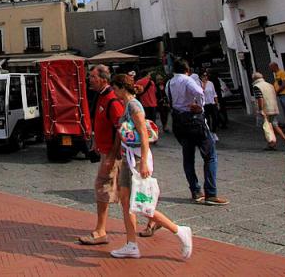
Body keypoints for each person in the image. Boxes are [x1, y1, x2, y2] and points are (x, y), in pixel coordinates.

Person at [108, 74, 193, 260]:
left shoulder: (134, 106)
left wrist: (145, 161)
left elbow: (143, 134)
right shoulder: (127, 105)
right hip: (128, 157)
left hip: (137, 159)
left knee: (141, 205)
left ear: (121, 88)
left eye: (114, 88)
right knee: (126, 201)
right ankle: (131, 244)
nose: (113, 92)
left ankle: (179, 230)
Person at [77, 64, 127, 246]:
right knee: (127, 192)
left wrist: (112, 156)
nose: (89, 79)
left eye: (93, 77)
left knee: (102, 187)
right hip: (107, 152)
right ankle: (154, 219)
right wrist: (96, 142)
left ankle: (100, 231)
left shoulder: (112, 100)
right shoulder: (101, 96)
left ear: (104, 80)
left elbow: (120, 130)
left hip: (113, 155)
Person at [168, 59, 228, 205]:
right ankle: (211, 193)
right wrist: (200, 106)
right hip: (194, 121)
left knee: (188, 158)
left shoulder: (169, 83)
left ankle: (195, 191)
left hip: (179, 122)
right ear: (187, 70)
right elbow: (199, 92)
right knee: (210, 156)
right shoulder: (187, 80)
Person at [250, 72, 285, 150]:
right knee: (275, 125)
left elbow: (260, 98)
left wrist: (260, 109)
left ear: (254, 79)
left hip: (265, 109)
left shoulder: (257, 86)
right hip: (273, 107)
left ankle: (271, 143)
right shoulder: (270, 85)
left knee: (267, 127)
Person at [201, 71, 219, 138]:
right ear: (201, 77)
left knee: (215, 118)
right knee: (207, 120)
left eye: (206, 76)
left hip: (212, 103)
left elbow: (214, 93)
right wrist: (203, 85)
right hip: (205, 104)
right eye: (204, 76)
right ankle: (209, 133)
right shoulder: (199, 84)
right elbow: (201, 93)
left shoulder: (211, 83)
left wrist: (217, 103)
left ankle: (214, 132)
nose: (205, 77)